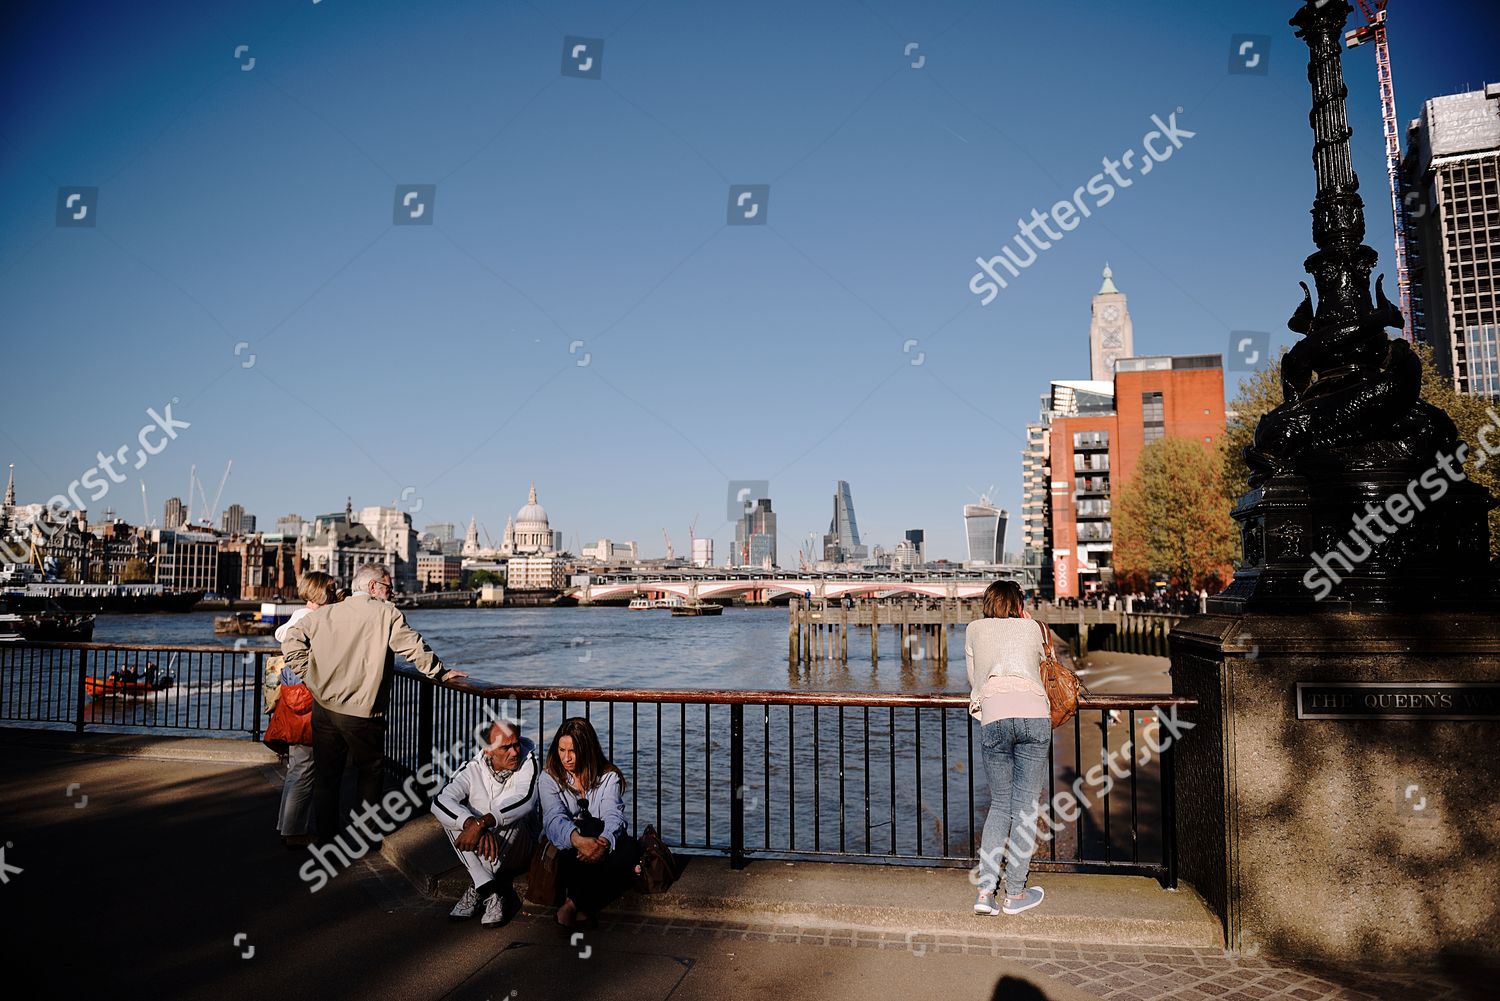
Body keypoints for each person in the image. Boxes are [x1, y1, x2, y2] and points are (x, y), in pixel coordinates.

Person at [281, 563, 465, 843]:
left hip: (324, 707)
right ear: (372, 586)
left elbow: (291, 639)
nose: (392, 594)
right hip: (362, 710)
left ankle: (326, 835)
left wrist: (310, 676)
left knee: (327, 776)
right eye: (389, 588)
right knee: (370, 772)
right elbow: (413, 647)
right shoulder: (386, 613)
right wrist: (440, 672)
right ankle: (366, 836)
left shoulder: (328, 611)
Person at [965, 579, 1050, 916]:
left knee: (1000, 805)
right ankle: (1015, 894)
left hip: (995, 716)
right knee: (1025, 808)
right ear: (1018, 604)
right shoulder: (1031, 629)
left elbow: (975, 679)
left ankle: (985, 892)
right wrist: (1026, 623)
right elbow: (1041, 664)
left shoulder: (974, 629)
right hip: (1033, 714)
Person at [432, 719, 541, 928]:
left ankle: (478, 886)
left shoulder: (529, 762)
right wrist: (471, 823)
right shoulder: (473, 768)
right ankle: (489, 890)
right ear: (489, 751)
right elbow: (440, 801)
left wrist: (482, 824)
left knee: (512, 817)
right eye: (505, 747)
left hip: (521, 845)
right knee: (454, 819)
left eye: (516, 744)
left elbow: (525, 800)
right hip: (486, 847)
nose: (514, 752)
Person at [539, 717, 639, 928]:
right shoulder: (549, 777)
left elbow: (613, 815)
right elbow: (554, 819)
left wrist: (602, 841)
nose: (566, 758)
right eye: (561, 750)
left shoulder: (607, 777)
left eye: (572, 751)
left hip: (595, 847)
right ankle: (582, 907)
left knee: (623, 842)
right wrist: (578, 840)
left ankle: (572, 905)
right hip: (566, 847)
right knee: (590, 829)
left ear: (587, 749)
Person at [266, 571, 340, 847]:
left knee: (297, 768)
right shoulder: (312, 618)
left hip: (292, 696)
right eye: (331, 591)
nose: (334, 595)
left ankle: (286, 826)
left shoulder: (298, 616)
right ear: (322, 593)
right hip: (307, 699)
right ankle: (295, 833)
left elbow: (279, 633)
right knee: (305, 769)